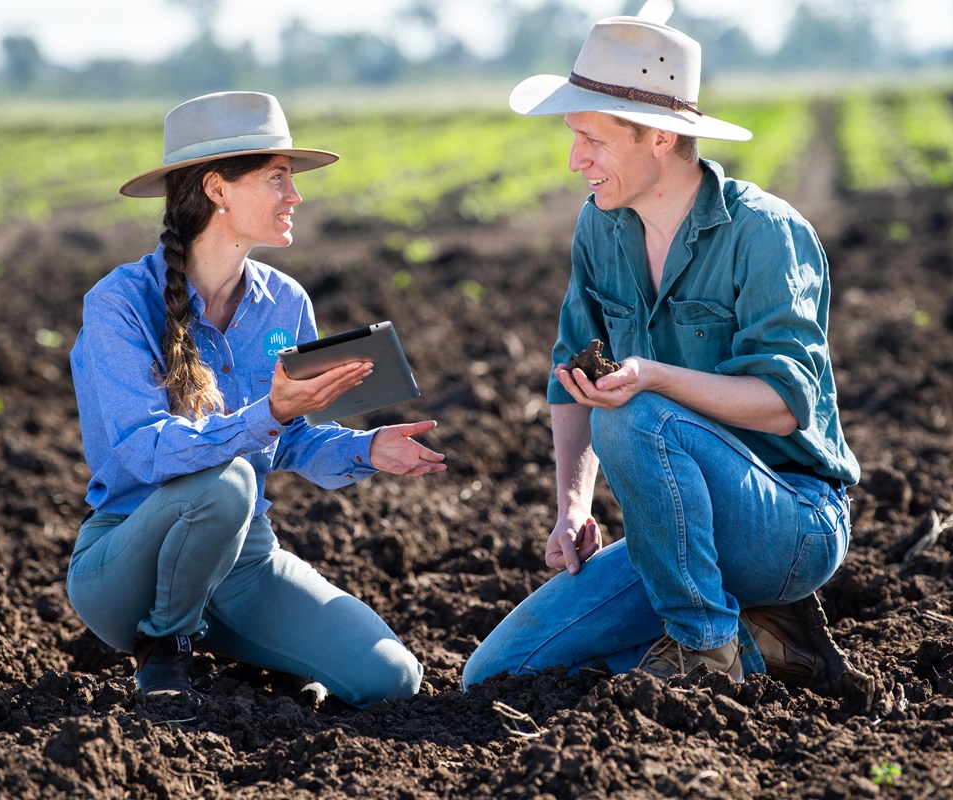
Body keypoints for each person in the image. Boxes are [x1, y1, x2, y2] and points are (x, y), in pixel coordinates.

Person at [462, 16, 860, 691]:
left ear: (662, 138)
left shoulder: (765, 233)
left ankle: (706, 647)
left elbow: (783, 406)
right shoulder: (601, 227)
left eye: (593, 139)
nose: (575, 160)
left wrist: (653, 376)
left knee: (634, 410)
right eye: (574, 138)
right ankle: (769, 645)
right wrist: (573, 505)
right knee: (497, 673)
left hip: (790, 524)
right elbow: (570, 375)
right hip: (678, 536)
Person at [67, 91, 446, 707]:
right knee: (227, 482)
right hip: (127, 563)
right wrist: (267, 413)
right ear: (217, 189)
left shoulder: (286, 301)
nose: (295, 196)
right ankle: (166, 650)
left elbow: (289, 437)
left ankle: (241, 656)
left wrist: (368, 449)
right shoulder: (118, 304)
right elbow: (142, 452)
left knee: (391, 679)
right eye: (278, 179)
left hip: (243, 560)